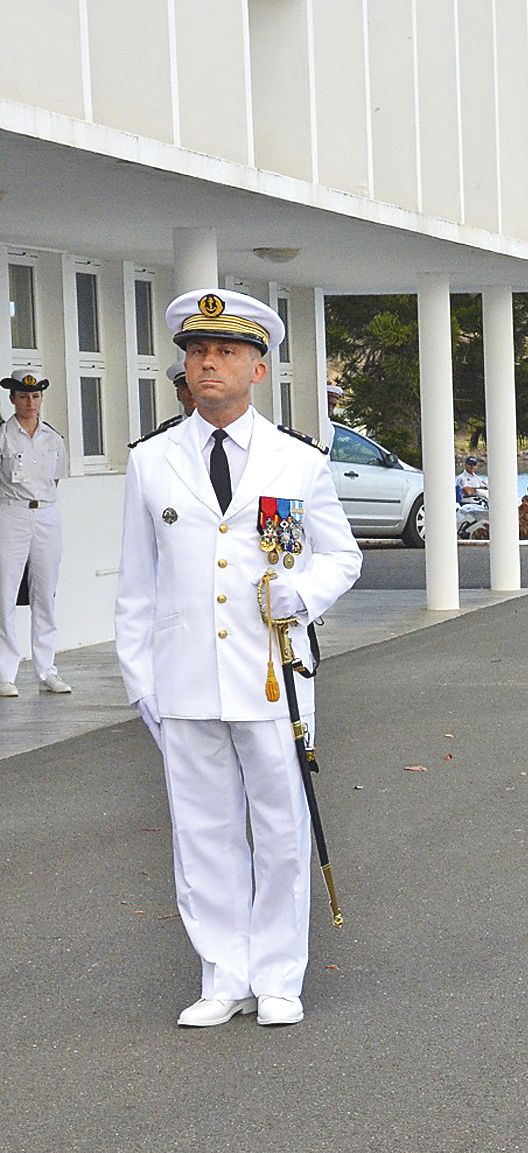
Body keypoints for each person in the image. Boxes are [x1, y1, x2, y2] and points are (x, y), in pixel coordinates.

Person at [116, 288, 362, 1029]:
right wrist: (141, 684)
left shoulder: (298, 462)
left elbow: (340, 557)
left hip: (271, 674)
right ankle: (223, 974)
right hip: (185, 678)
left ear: (259, 369)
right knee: (202, 832)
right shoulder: (151, 461)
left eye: (225, 351)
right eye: (196, 352)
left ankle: (280, 976)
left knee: (281, 827)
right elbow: (137, 584)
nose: (207, 364)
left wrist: (300, 594)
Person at [0, 372, 70, 696]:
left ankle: (47, 670)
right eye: (23, 396)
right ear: (12, 398)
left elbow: (55, 480)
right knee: (5, 593)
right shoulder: (3, 435)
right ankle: (5, 672)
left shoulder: (53, 439)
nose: (30, 402)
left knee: (46, 594)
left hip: (45, 514)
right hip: (11, 513)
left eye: (35, 397)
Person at [165, 360, 194, 424]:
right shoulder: (168, 430)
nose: (192, 391)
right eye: (185, 386)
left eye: (197, 385)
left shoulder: (220, 429)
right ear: (178, 394)